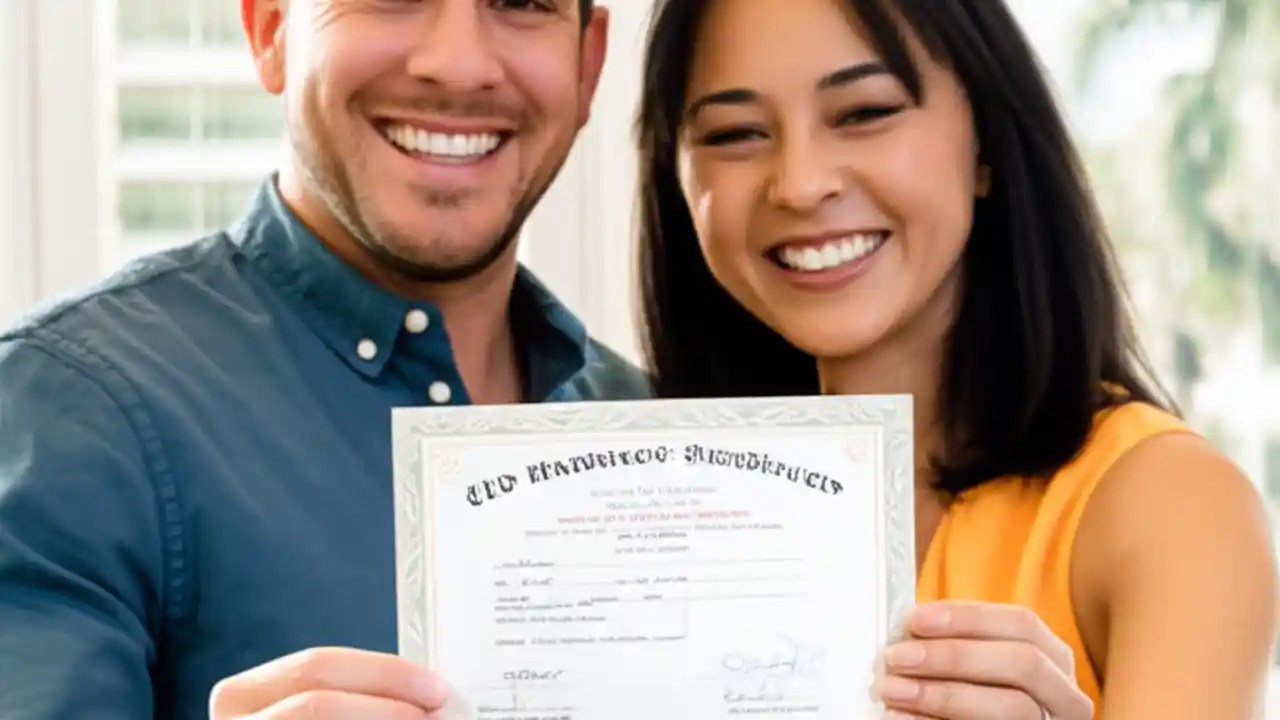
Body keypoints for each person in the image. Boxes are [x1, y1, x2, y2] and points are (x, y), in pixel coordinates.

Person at [0, 0, 648, 718]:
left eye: (522, 2)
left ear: (588, 66)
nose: (458, 62)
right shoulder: (63, 417)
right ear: (270, 29)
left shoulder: (658, 423)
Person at [634, 0, 1279, 717]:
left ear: (986, 146)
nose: (800, 183)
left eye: (864, 113)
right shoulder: (656, 523)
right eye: (735, 133)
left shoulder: (1167, 506)